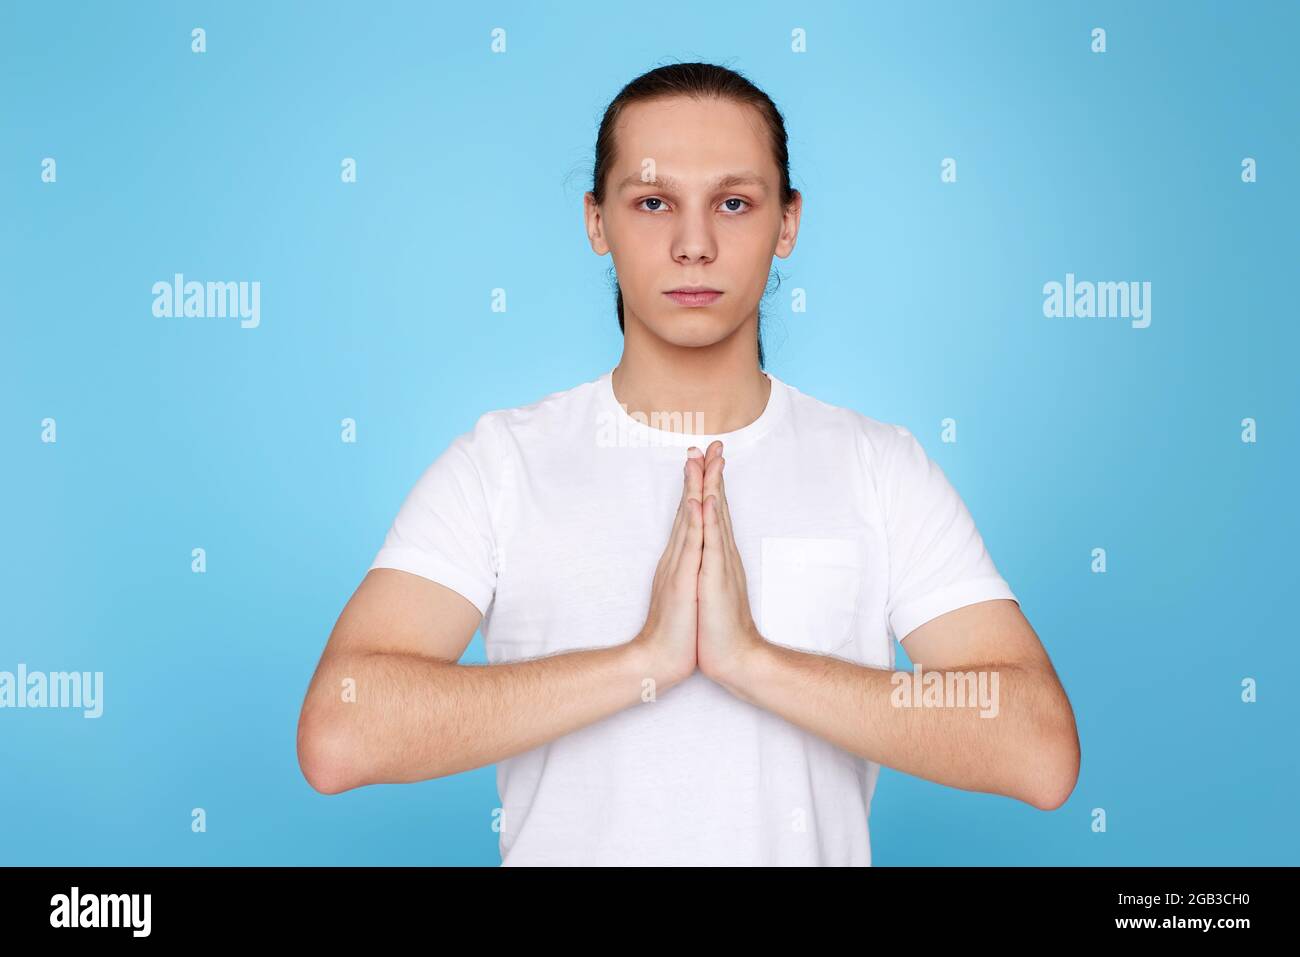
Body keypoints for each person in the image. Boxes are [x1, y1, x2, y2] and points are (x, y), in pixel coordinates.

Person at [296, 61, 1080, 866]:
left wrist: (753, 662)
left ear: (788, 223)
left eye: (734, 203)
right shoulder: (501, 464)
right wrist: (643, 662)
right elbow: (340, 732)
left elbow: (1040, 751)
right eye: (652, 202)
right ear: (597, 222)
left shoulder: (879, 467)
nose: (694, 244)